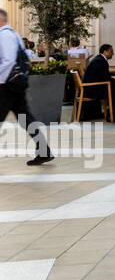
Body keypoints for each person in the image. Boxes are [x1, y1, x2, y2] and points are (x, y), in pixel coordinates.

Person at [0, 10, 54, 166]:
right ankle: (44, 151)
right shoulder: (13, 34)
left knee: (24, 119)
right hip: (16, 84)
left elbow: (8, 61)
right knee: (26, 119)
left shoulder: (4, 35)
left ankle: (44, 151)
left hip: (7, 85)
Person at [82, 44, 115, 122]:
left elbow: (104, 77)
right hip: (92, 89)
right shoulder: (100, 61)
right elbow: (105, 78)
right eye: (111, 51)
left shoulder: (99, 59)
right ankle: (112, 115)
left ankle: (112, 113)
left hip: (90, 87)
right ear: (105, 52)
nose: (113, 53)